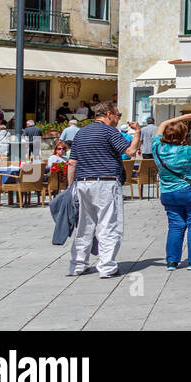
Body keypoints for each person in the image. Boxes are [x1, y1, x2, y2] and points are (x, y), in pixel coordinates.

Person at [66, 101, 141, 278]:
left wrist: (70, 188)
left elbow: (72, 163)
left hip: (83, 182)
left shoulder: (81, 132)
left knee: (84, 226)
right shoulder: (109, 131)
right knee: (109, 224)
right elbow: (130, 151)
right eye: (118, 115)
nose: (118, 119)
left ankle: (77, 264)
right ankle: (107, 266)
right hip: (106, 182)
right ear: (108, 114)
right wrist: (137, 133)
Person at [151, 113, 191, 271]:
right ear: (183, 135)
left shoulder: (157, 147)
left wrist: (183, 117)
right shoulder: (186, 151)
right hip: (189, 191)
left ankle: (172, 261)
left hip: (167, 192)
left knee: (175, 226)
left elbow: (163, 123)